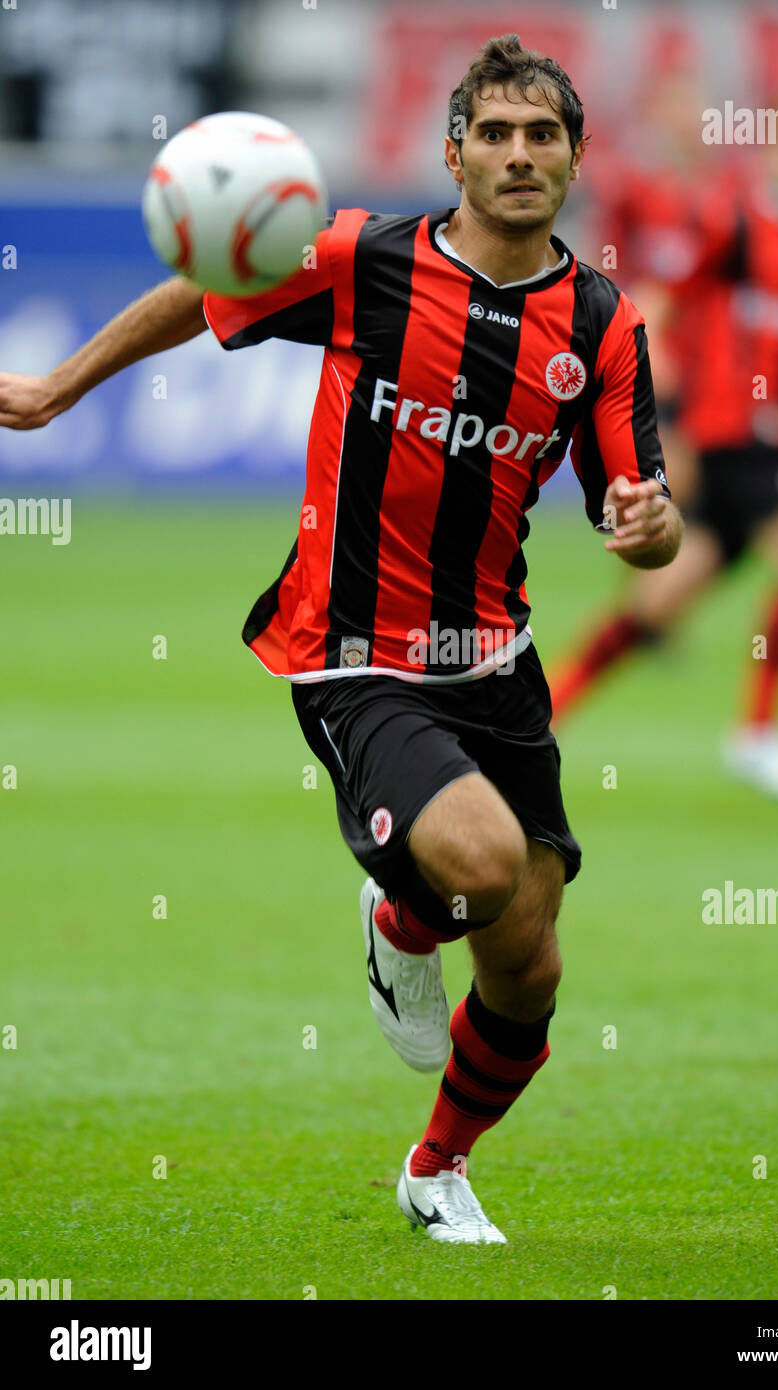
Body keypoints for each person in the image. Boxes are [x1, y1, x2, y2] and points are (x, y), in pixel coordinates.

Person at [0, 33, 682, 1243]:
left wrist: (648, 527)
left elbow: (642, 518)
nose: (518, 155)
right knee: (475, 867)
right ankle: (401, 919)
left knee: (528, 964)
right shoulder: (364, 259)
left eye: (543, 135)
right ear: (452, 151)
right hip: (353, 647)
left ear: (575, 158)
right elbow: (203, 295)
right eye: (495, 133)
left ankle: (436, 1165)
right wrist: (59, 386)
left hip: (496, 659)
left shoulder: (600, 323)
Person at [550, 101, 778, 803]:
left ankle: (535, 719)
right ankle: (758, 732)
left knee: (657, 604)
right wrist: (657, 407)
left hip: (776, 441)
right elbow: (659, 303)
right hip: (733, 432)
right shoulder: (732, 220)